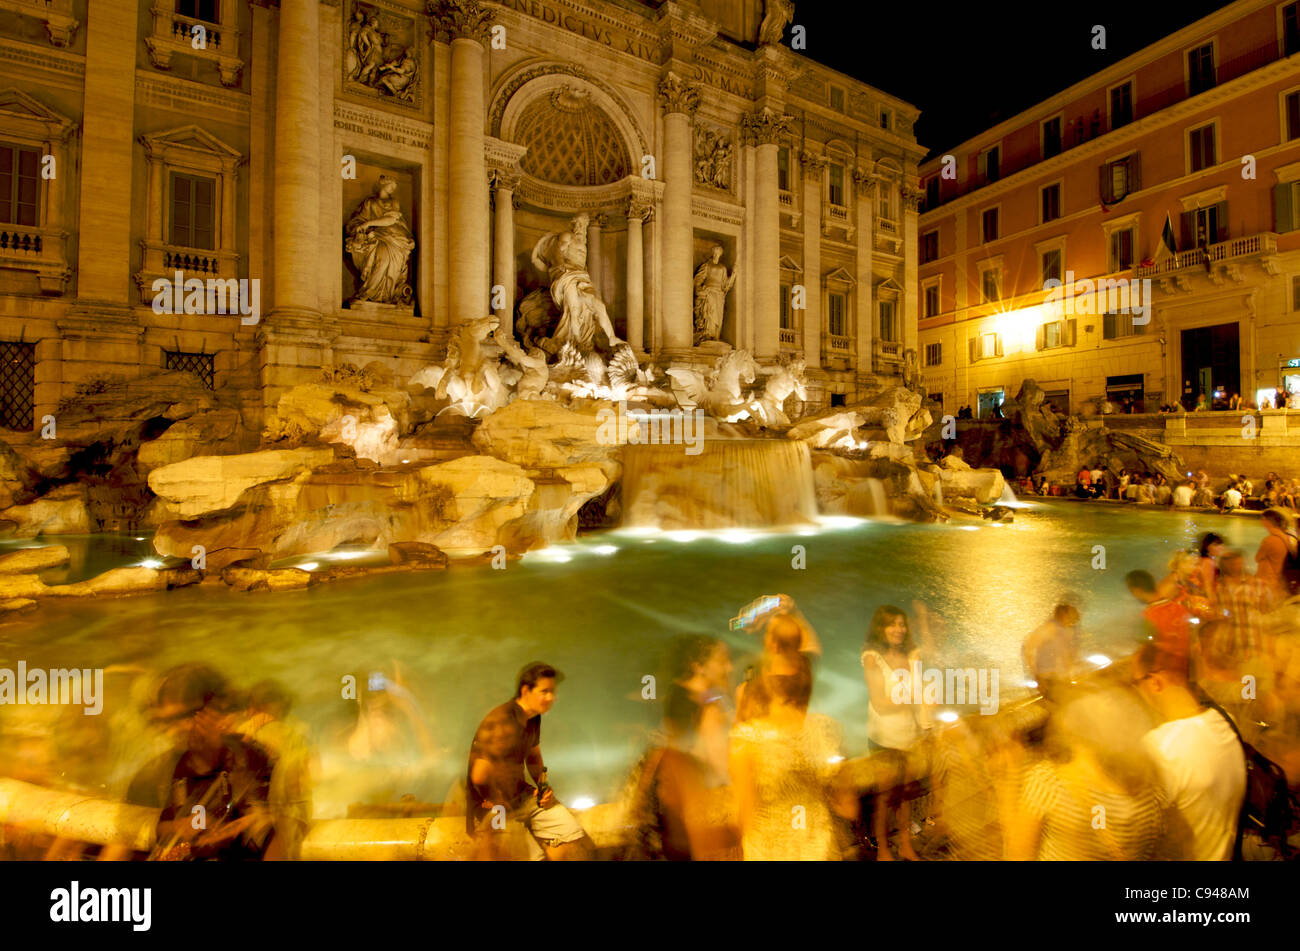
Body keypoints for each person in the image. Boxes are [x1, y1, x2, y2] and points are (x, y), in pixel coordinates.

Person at [132, 664, 278, 861]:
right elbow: (127, 839)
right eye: (165, 722)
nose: (171, 731)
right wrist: (175, 829)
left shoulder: (252, 761)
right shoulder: (156, 772)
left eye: (182, 717)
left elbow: (274, 832)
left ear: (216, 711)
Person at [1006, 689, 1166, 860]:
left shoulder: (1049, 782)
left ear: (1072, 730)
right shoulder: (1150, 792)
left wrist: (1006, 781)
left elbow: (1018, 855)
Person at [465, 662, 592, 860]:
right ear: (526, 691)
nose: (551, 698)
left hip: (521, 796)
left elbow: (533, 756)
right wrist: (500, 806)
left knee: (576, 838)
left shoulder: (533, 717)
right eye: (545, 691)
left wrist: (543, 788)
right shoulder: (502, 721)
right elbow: (480, 776)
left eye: (553, 692)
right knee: (535, 858)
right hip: (492, 807)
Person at [729, 654, 850, 860]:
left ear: (763, 688)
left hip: (768, 850)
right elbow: (847, 806)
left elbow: (745, 812)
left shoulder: (746, 738)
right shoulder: (826, 729)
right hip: (816, 847)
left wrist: (740, 710)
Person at [1133, 644, 1245, 860]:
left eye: (1136, 683)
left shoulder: (1159, 747)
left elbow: (1138, 835)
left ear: (1155, 682)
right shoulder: (1228, 720)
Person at [861, 606, 926, 860]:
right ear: (880, 628)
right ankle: (884, 850)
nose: (898, 629)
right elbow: (880, 703)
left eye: (902, 624)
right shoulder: (872, 658)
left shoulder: (912, 656)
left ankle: (906, 844)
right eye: (892, 624)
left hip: (909, 733)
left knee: (907, 793)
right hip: (883, 737)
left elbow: (920, 691)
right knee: (885, 796)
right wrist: (916, 699)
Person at [664, 635, 733, 787]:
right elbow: (723, 771)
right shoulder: (708, 711)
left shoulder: (679, 697)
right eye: (722, 661)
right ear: (699, 667)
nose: (730, 667)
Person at [1127, 569, 1195, 680]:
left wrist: (1137, 677)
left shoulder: (1148, 616)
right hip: (1185, 669)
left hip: (1164, 675)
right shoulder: (1179, 608)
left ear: (1136, 591)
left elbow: (1144, 653)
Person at [1022, 602, 1081, 699]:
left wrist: (1069, 675)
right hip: (1048, 678)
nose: (1072, 621)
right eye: (1070, 617)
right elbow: (1028, 647)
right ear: (1063, 614)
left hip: (1060, 678)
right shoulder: (1048, 629)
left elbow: (1065, 655)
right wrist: (1037, 676)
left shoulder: (1067, 631)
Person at [1255, 508, 1300, 603]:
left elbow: (1258, 558)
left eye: (1263, 519)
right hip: (1280, 582)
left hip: (1267, 582)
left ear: (1268, 522)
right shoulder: (1288, 538)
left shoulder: (1270, 540)